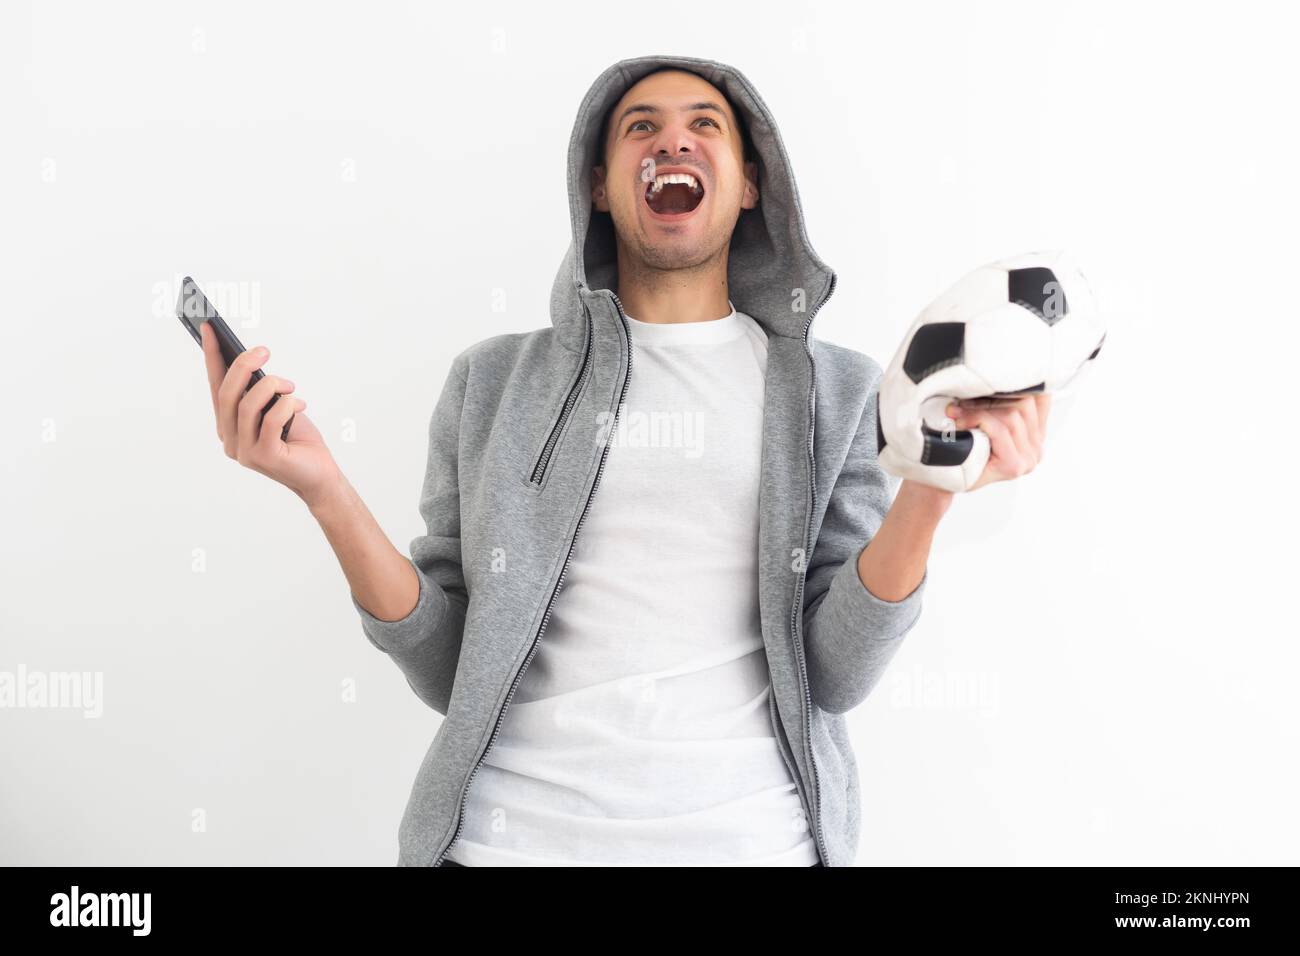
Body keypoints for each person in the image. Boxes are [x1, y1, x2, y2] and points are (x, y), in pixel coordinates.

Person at [200, 55, 1050, 866]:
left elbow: (837, 672)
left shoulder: (840, 394)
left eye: (703, 125)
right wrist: (324, 490)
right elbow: (449, 669)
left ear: (751, 184)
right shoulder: (492, 382)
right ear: (600, 190)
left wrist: (930, 490)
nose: (671, 143)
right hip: (505, 847)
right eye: (640, 127)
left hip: (749, 846)